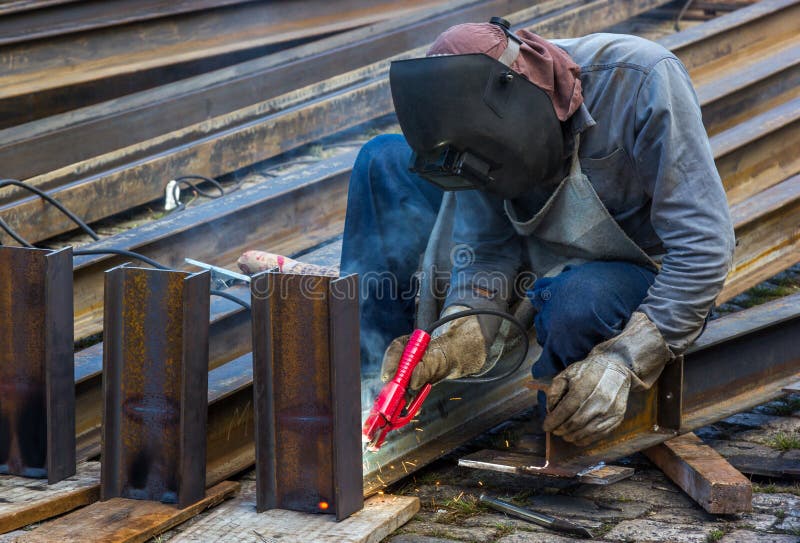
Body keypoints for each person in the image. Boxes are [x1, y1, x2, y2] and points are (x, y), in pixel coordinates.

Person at [338, 18, 734, 447]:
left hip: (630, 271)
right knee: (381, 160)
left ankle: (567, 411)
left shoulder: (641, 82)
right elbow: (486, 254)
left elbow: (704, 248)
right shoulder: (473, 130)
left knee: (572, 303)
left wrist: (624, 361)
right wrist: (456, 337)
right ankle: (376, 393)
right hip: (536, 257)